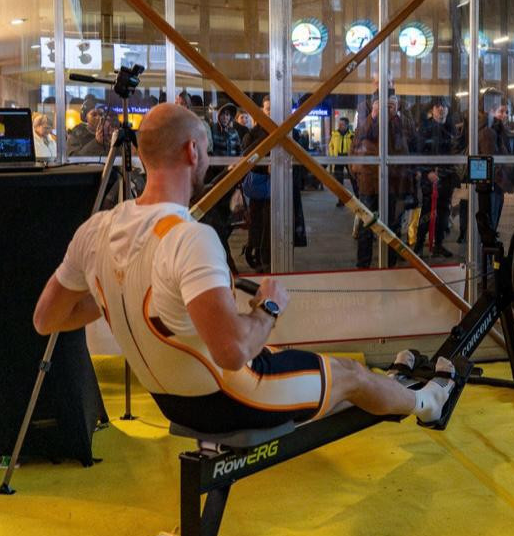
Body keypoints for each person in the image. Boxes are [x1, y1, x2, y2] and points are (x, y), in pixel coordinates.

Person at [32, 102, 455, 433]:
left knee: (298, 364)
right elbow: (232, 353)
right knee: (350, 374)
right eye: (207, 151)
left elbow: (46, 318)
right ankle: (428, 404)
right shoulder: (190, 238)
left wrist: (109, 292)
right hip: (225, 398)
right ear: (192, 150)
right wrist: (268, 307)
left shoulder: (97, 230)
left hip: (169, 397)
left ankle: (394, 388)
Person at [352, 93, 413, 268]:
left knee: (393, 226)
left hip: (393, 183)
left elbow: (406, 143)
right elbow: (359, 138)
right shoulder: (367, 122)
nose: (386, 108)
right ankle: (363, 264)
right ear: (373, 106)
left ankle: (390, 263)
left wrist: (394, 117)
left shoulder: (399, 122)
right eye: (382, 105)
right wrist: (374, 115)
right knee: (367, 226)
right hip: (370, 183)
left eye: (391, 105)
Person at [413, 99, 458, 258]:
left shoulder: (452, 129)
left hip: (446, 178)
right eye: (438, 107)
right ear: (432, 109)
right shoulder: (425, 129)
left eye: (444, 106)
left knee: (444, 213)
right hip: (430, 179)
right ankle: (419, 245)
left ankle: (438, 244)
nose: (441, 109)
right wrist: (427, 173)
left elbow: (455, 153)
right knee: (427, 212)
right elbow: (419, 153)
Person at [241, 96, 274, 273]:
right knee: (258, 223)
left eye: (273, 109)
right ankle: (258, 256)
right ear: (262, 110)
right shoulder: (253, 134)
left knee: (272, 224)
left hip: (277, 187)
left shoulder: (286, 131)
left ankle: (268, 258)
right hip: (260, 188)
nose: (270, 112)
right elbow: (247, 158)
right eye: (268, 108)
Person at [477, 93, 514, 231]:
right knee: (490, 226)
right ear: (491, 111)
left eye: (507, 112)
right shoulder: (489, 132)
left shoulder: (496, 129)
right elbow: (493, 162)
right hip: (492, 186)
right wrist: (505, 181)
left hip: (494, 185)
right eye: (501, 111)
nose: (505, 115)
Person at [328, 116, 355, 207]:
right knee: (339, 182)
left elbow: (354, 147)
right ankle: (341, 200)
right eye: (339, 124)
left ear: (347, 125)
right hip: (338, 157)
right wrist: (333, 156)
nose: (339, 126)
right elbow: (330, 146)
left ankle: (358, 198)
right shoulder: (334, 134)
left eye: (342, 124)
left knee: (353, 179)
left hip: (348, 158)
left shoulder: (352, 135)